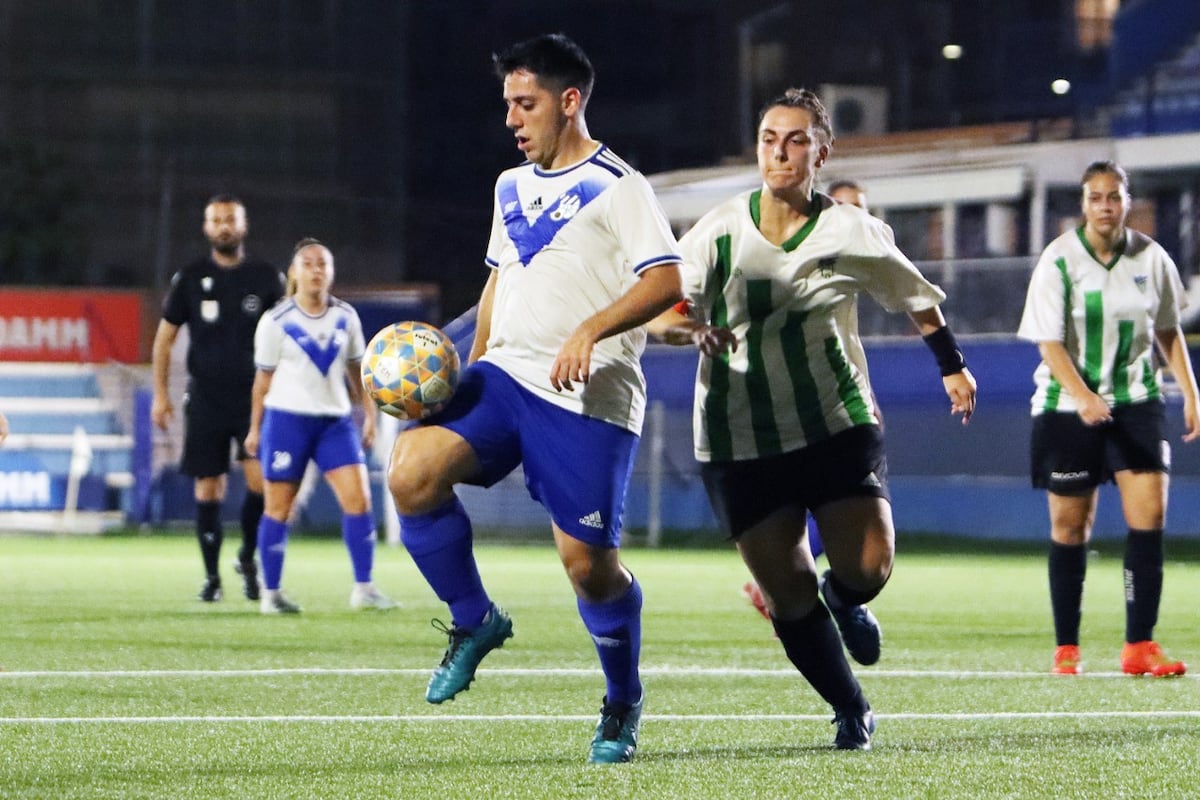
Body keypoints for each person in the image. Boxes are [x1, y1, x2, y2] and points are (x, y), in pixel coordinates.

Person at [648, 88, 976, 750]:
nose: (780, 151)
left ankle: (846, 596)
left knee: (869, 568)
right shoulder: (716, 230)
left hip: (833, 421)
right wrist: (691, 334)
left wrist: (952, 366)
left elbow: (916, 297)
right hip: (738, 436)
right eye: (770, 137)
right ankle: (850, 707)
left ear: (820, 152)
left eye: (795, 139)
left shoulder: (850, 229)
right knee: (787, 595)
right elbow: (663, 312)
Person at [387, 33, 683, 765]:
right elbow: (499, 279)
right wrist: (470, 365)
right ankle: (474, 620)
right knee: (410, 473)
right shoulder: (508, 186)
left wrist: (590, 327)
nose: (513, 119)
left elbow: (665, 282)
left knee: (588, 565)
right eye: (508, 105)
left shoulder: (622, 187)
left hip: (589, 396)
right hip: (506, 376)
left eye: (527, 104)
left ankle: (621, 701)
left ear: (569, 101)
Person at [1017, 160, 1199, 678]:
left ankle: (1139, 645)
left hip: (1137, 401)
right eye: (1095, 197)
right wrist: (1082, 395)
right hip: (1065, 407)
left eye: (1114, 197)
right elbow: (1048, 342)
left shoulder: (1151, 257)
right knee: (1071, 527)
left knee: (1150, 516)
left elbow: (1167, 329)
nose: (1105, 206)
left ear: (1127, 201)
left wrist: (1190, 390)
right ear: (1083, 203)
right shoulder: (1059, 260)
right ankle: (1067, 649)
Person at [740, 177, 881, 654]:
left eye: (860, 209)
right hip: (787, 405)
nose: (852, 217)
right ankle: (795, 589)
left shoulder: (860, 254)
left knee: (864, 515)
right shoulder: (785, 251)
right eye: (843, 207)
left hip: (849, 402)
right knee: (813, 504)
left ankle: (839, 594)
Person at [244, 238, 395, 615]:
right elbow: (262, 381)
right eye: (307, 264)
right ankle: (271, 593)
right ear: (294, 273)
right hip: (286, 420)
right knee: (279, 507)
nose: (315, 270)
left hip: (335, 422)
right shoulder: (275, 321)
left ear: (331, 272)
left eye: (322, 264)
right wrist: (254, 428)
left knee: (359, 500)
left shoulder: (346, 317)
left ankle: (364, 587)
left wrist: (370, 416)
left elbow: (356, 372)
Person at [152, 194, 285, 603]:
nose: (224, 226)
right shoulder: (190, 277)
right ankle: (211, 578)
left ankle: (247, 556)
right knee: (208, 488)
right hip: (206, 398)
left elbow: (286, 337)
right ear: (207, 228)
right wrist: (161, 395)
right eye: (217, 220)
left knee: (260, 482)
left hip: (254, 399)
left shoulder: (266, 277)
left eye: (231, 219)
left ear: (244, 225)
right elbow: (164, 340)